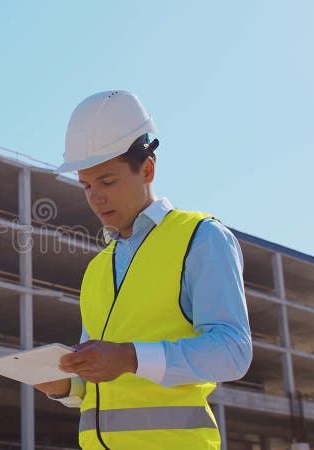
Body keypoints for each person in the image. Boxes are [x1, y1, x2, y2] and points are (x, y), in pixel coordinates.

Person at [35, 91, 252, 450]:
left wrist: (130, 358)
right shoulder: (97, 269)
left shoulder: (201, 238)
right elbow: (97, 384)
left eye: (107, 182)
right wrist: (64, 386)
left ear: (147, 169)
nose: (95, 198)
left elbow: (233, 352)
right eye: (86, 185)